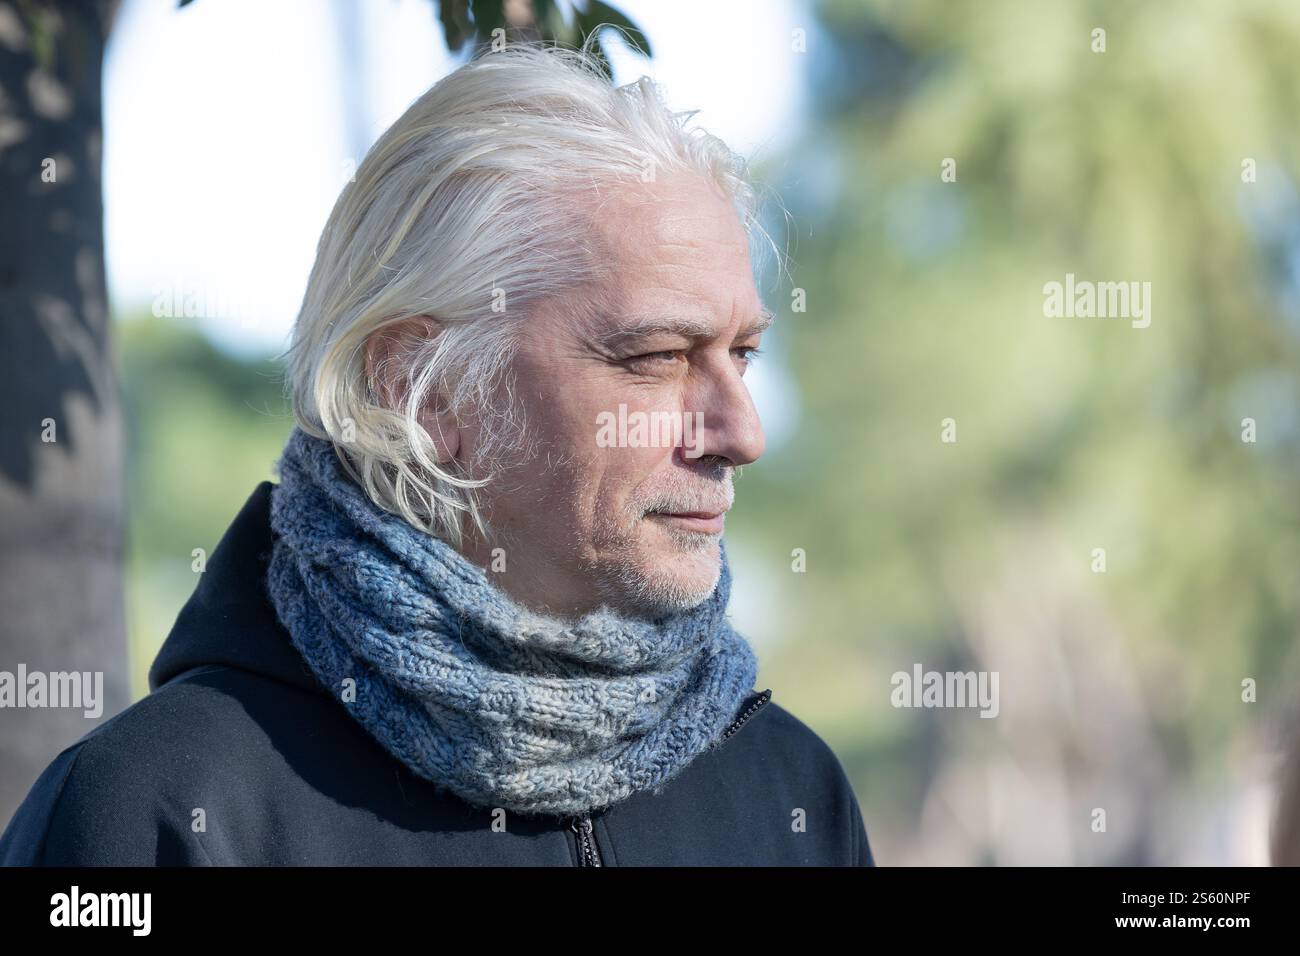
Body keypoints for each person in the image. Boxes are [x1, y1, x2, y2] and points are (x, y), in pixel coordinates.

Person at [0, 38, 873, 866]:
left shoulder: (793, 792)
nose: (742, 433)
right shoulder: (157, 811)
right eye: (656, 358)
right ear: (422, 391)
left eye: (742, 355)